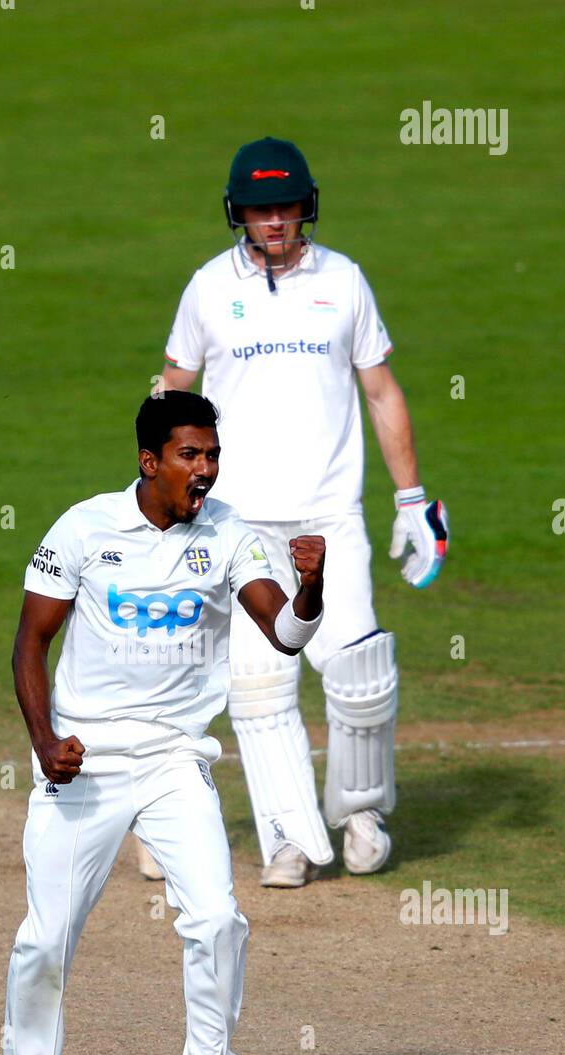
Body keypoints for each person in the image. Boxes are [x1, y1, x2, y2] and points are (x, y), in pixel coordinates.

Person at [0, 390, 327, 1055]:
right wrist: (44, 740)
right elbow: (29, 645)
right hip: (88, 760)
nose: (204, 469)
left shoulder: (229, 533)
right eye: (189, 455)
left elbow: (284, 636)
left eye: (211, 454)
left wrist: (312, 585)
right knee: (46, 941)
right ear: (150, 462)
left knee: (217, 921)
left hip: (177, 759)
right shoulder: (83, 529)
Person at [144, 136, 448, 890]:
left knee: (358, 670)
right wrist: (162, 494)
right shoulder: (209, 288)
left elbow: (381, 391)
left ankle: (364, 815)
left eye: (283, 207)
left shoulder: (343, 281)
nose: (272, 221)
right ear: (236, 214)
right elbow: (174, 396)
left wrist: (411, 501)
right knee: (257, 683)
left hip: (328, 517)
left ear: (305, 207)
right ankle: (285, 840)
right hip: (239, 523)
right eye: (257, 209)